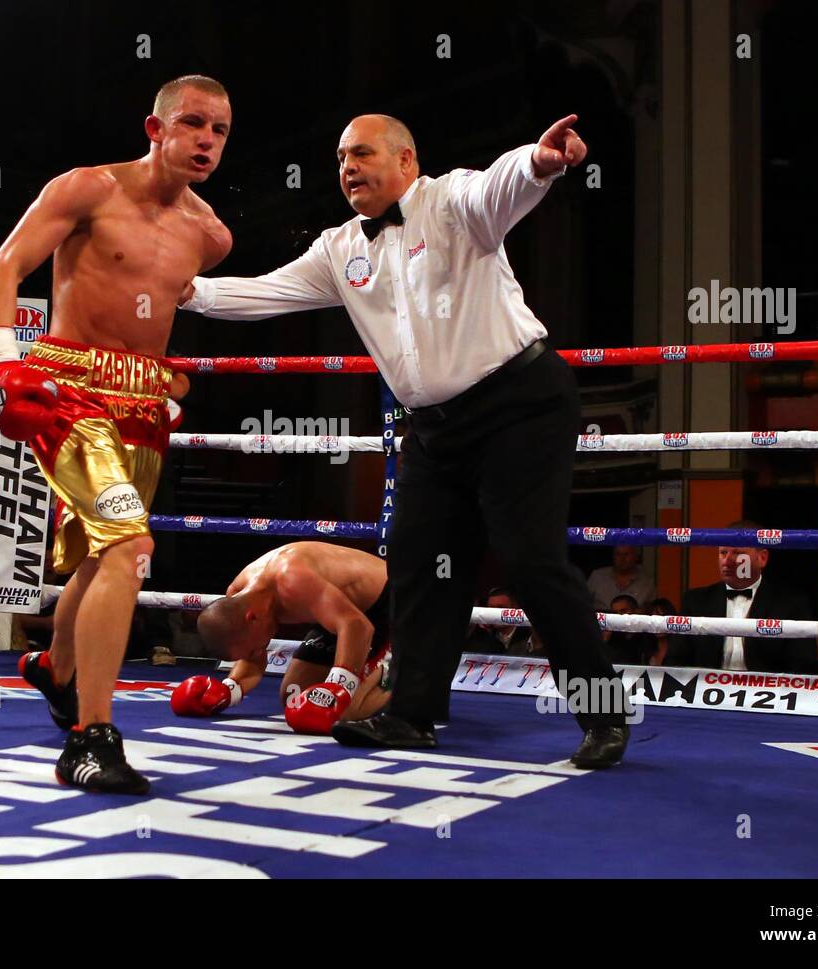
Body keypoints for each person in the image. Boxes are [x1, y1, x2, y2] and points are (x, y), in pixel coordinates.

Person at [180, 113, 628, 766]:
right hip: (434, 430)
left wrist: (539, 160)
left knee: (529, 562)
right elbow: (265, 293)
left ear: (407, 161)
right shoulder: (339, 249)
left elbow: (500, 188)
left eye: (361, 153)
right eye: (339, 158)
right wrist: (186, 292)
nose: (347, 168)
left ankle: (604, 717)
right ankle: (413, 714)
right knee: (420, 568)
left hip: (518, 405)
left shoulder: (452, 202)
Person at [0, 75, 232, 794]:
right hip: (69, 389)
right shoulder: (86, 189)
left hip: (144, 400)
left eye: (219, 130)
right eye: (192, 124)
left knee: (98, 555)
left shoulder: (211, 235)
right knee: (129, 546)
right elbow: (4, 267)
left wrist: (167, 379)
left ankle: (57, 671)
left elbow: (162, 308)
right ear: (155, 130)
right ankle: (90, 738)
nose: (206, 140)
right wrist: (2, 365)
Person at [171, 541, 393, 733]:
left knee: (343, 710)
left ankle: (409, 666)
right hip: (344, 613)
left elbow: (357, 626)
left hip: (392, 605)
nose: (257, 654)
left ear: (252, 618)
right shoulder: (238, 598)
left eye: (251, 650)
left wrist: (339, 686)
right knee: (294, 695)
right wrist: (229, 690)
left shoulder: (292, 580)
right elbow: (251, 662)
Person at [665, 522, 812, 673]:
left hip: (768, 692)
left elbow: (802, 667)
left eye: (737, 553)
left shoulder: (791, 603)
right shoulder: (695, 601)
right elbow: (675, 661)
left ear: (762, 558)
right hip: (706, 691)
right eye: (723, 553)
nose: (726, 561)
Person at [587, 545, 654, 611]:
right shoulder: (597, 577)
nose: (622, 559)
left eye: (626, 554)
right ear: (613, 556)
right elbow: (583, 603)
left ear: (636, 556)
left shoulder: (647, 583)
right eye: (618, 554)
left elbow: (652, 612)